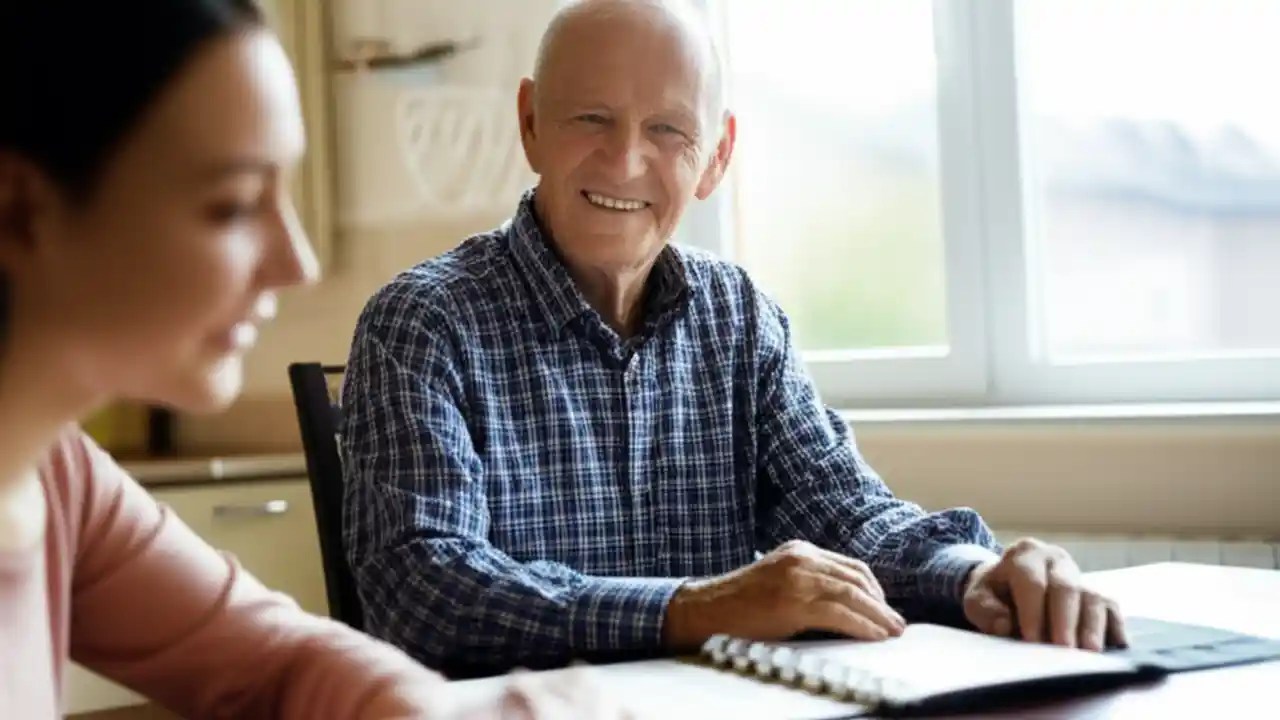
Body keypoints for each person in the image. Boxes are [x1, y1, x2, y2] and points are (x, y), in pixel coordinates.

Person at [342, 0, 1129, 679]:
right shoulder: (422, 323)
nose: (624, 159)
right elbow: (423, 588)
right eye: (590, 119)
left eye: (667, 129)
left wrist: (975, 574)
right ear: (529, 124)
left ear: (715, 156)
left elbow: (845, 513)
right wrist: (699, 608)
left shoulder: (740, 317)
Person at [0, 1, 629, 718]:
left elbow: (281, 656)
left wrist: (452, 713)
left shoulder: (56, 477)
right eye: (235, 204)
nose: (295, 261)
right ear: (20, 211)